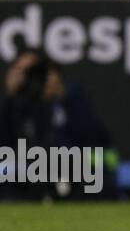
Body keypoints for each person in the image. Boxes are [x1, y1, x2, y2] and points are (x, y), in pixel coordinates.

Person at [0, 48, 115, 200]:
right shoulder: (18, 104)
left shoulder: (72, 95)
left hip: (77, 165)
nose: (31, 77)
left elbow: (91, 137)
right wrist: (11, 98)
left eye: (34, 71)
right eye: (22, 71)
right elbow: (6, 144)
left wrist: (61, 98)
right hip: (34, 170)